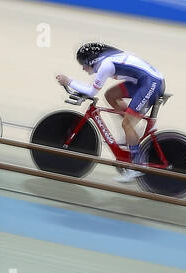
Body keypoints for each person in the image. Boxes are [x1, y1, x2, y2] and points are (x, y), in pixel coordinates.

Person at [57, 42, 165, 181]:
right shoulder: (109, 59)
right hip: (144, 81)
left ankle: (137, 167)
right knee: (110, 95)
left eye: (83, 64)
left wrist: (69, 81)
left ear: (92, 60)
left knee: (127, 124)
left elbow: (92, 91)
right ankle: (132, 131)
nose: (83, 68)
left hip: (151, 84)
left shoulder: (106, 65)